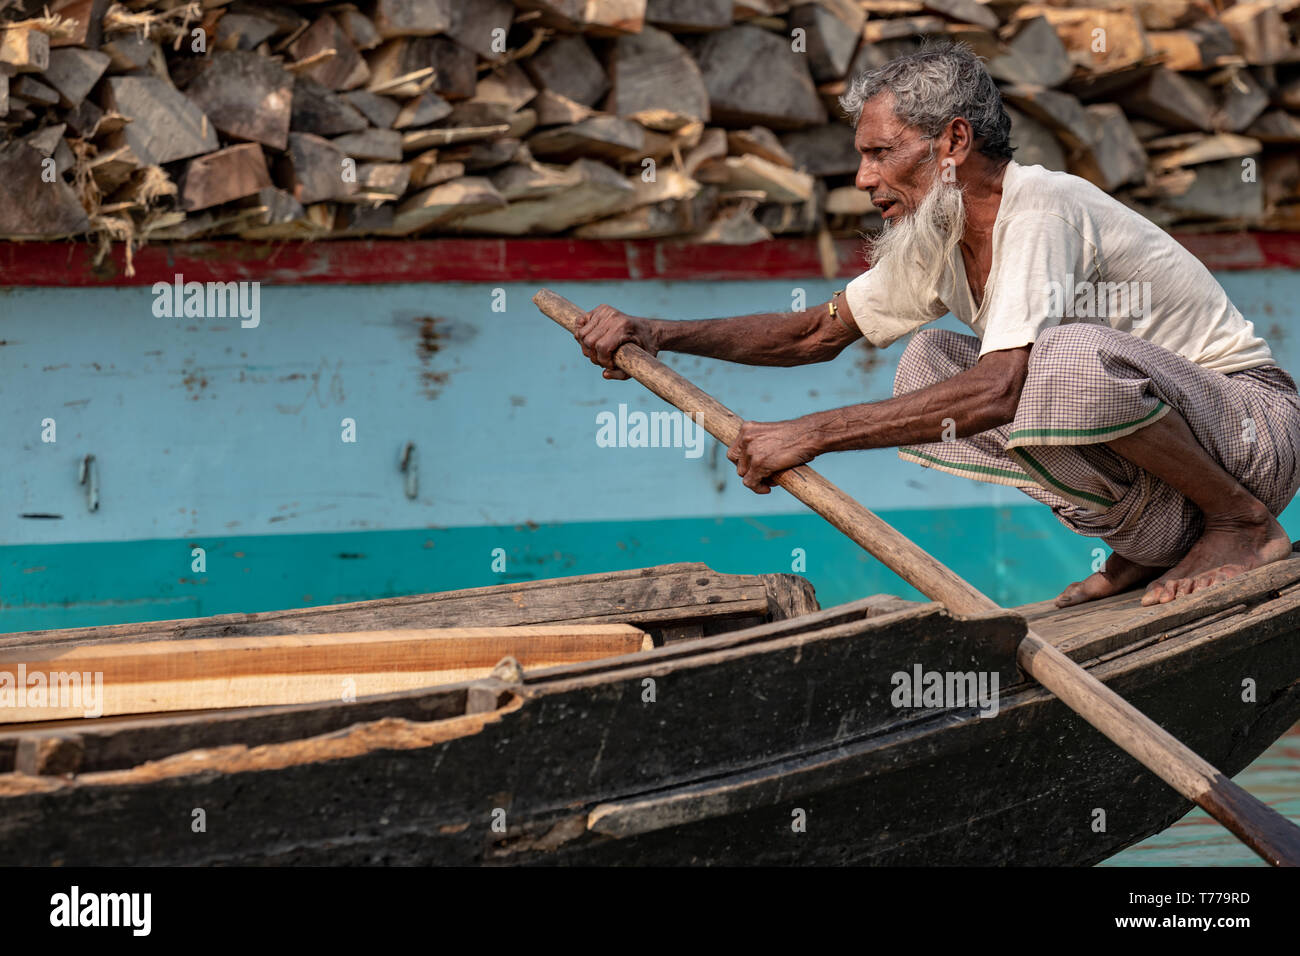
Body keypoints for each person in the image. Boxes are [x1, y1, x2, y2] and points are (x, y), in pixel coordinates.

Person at [572, 42, 1300, 609]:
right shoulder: (939, 234)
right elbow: (813, 334)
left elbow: (998, 389)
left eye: (879, 153)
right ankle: (1149, 540)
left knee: (1062, 363)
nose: (862, 179)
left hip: (1254, 435)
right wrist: (657, 331)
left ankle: (1239, 524)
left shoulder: (1041, 206)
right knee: (928, 361)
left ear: (952, 143)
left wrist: (812, 434)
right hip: (1170, 486)